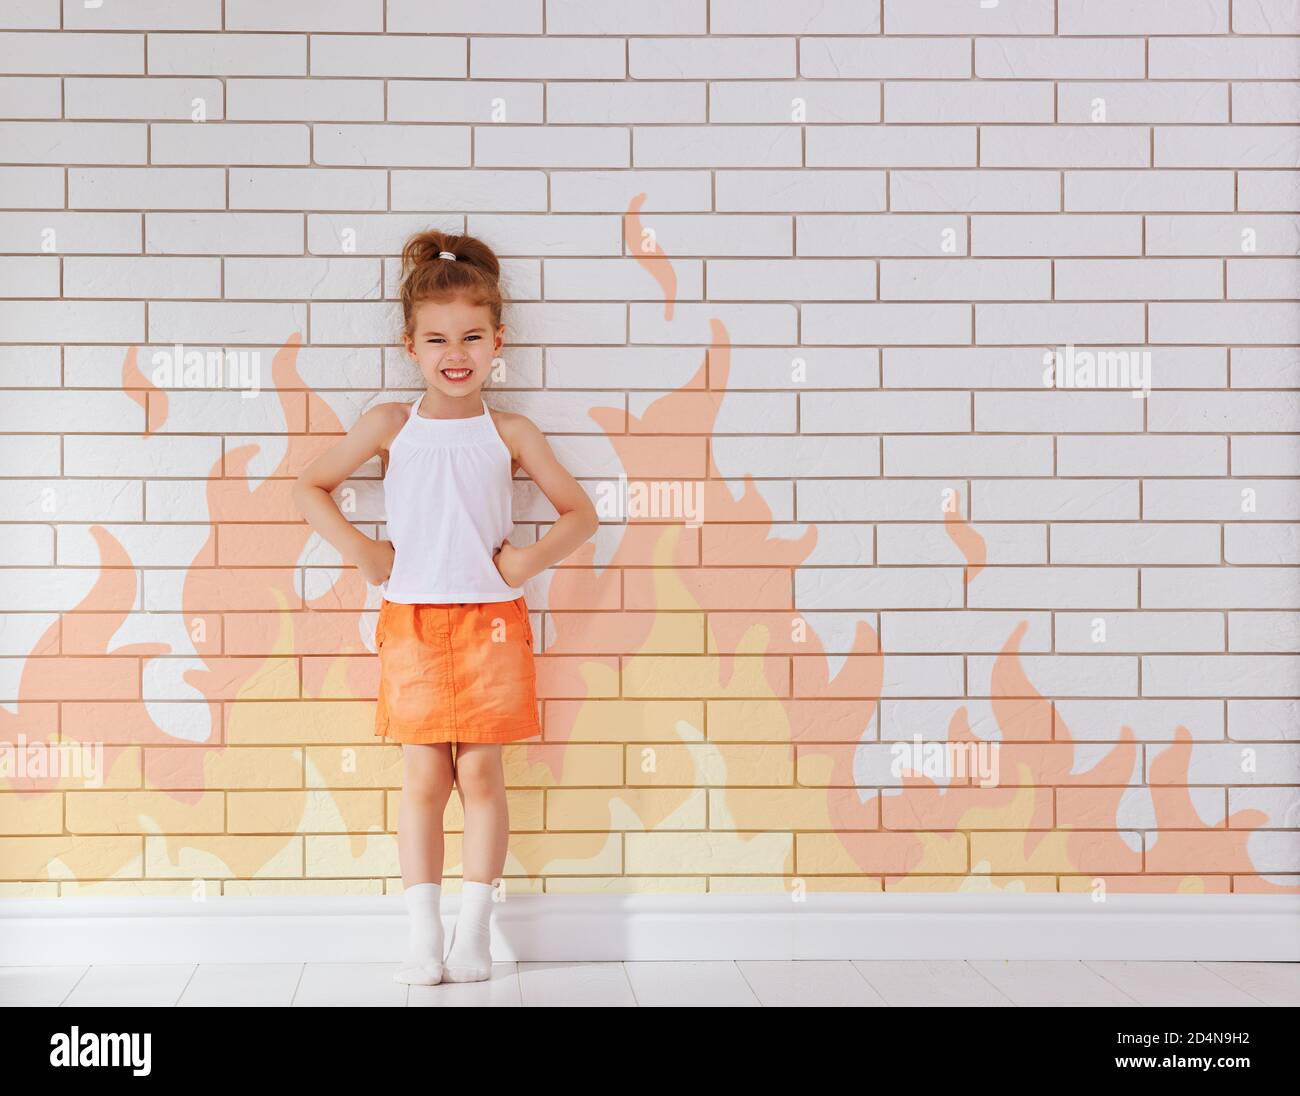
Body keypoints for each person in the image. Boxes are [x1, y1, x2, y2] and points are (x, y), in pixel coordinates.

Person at [293, 229, 598, 985]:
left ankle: (475, 933)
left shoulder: (511, 432)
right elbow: (309, 486)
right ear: (409, 345)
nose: (454, 353)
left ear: (499, 342)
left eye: (471, 336)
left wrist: (526, 560)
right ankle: (421, 936)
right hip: (415, 622)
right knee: (424, 778)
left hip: (493, 621)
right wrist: (366, 553)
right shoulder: (392, 426)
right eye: (437, 339)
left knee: (484, 776)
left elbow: (580, 514)